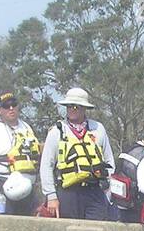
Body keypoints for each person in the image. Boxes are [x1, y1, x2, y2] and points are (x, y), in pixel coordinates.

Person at [39, 87, 115, 221]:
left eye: (75, 106)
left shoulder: (98, 129)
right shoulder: (56, 132)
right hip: (68, 192)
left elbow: (109, 160)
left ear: (84, 108)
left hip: (94, 190)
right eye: (69, 106)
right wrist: (51, 196)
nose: (72, 109)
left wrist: (108, 191)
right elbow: (46, 165)